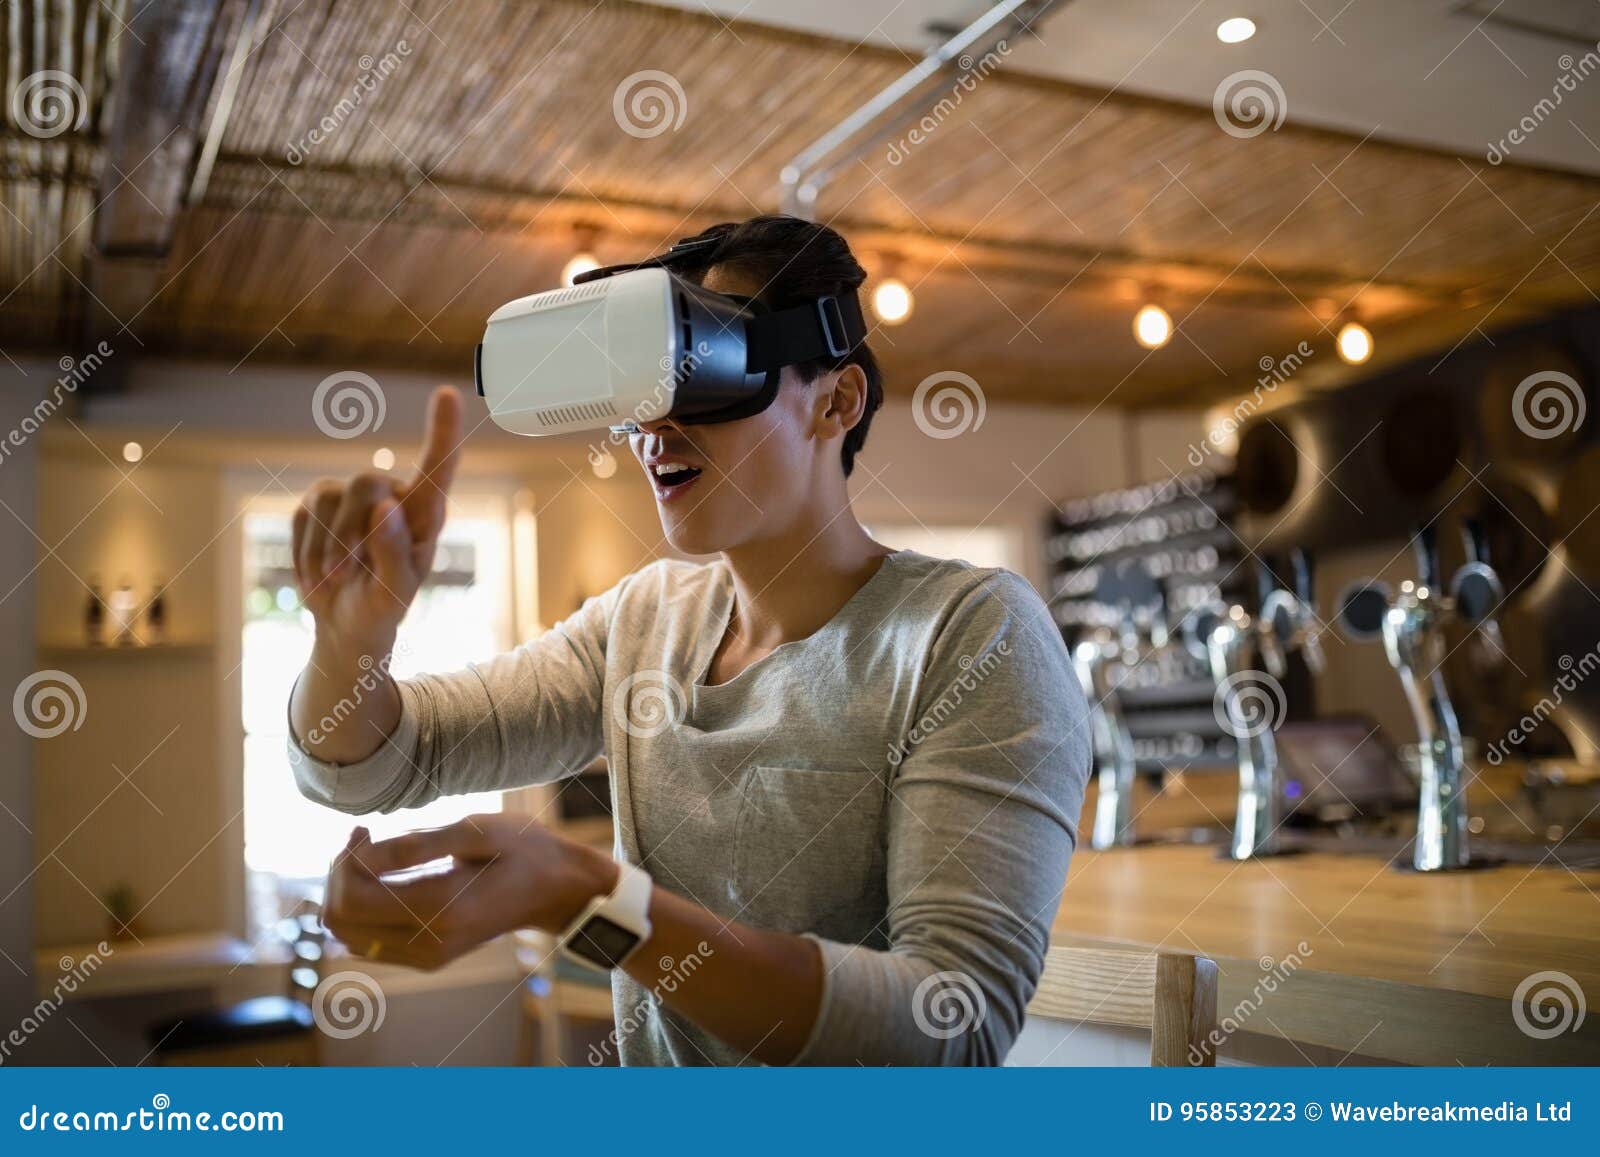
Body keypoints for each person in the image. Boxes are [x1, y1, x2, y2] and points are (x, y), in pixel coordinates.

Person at [287, 215, 1090, 1066]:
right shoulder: (640, 622)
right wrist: (350, 645)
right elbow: (379, 763)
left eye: (700, 371)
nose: (656, 427)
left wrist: (588, 896)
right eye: (639, 393)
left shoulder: (969, 637)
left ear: (836, 400)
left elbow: (949, 1027)